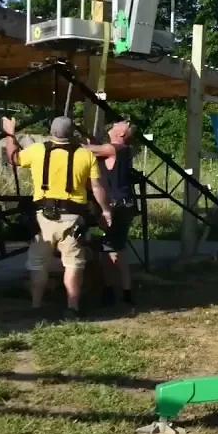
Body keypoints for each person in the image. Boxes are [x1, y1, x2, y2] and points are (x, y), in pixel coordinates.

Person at [3, 115, 113, 319]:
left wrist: (10, 133)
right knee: (73, 264)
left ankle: (36, 306)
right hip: (73, 219)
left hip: (43, 219)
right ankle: (72, 307)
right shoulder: (85, 155)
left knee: (38, 264)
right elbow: (97, 188)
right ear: (73, 134)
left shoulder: (37, 150)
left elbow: (14, 158)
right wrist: (105, 211)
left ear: (51, 132)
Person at [83, 120, 139, 309]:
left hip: (117, 206)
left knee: (111, 249)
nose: (117, 122)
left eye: (123, 123)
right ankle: (124, 292)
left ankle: (111, 292)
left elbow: (87, 151)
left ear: (122, 133)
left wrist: (68, 142)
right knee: (116, 249)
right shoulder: (114, 149)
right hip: (119, 205)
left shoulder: (118, 148)